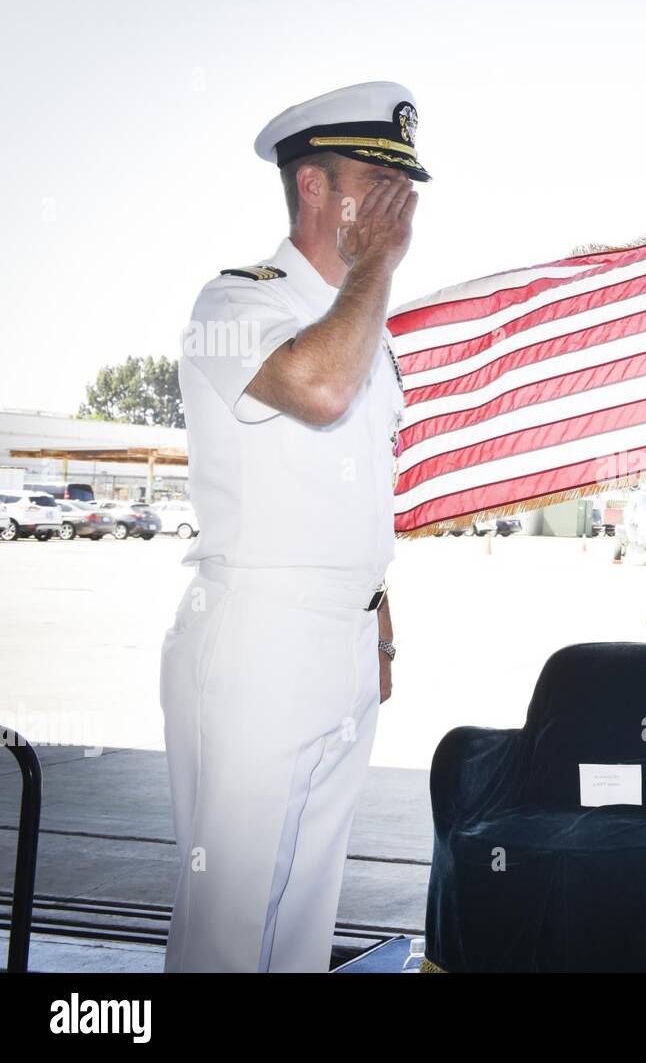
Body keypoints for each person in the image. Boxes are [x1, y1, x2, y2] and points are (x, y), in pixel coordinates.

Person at [160, 81, 426, 972]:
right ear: (312, 186)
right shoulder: (236, 304)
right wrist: (377, 266)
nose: (400, 205)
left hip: (343, 642)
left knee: (305, 914)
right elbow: (320, 392)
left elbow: (356, 483)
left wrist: (376, 617)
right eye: (376, 182)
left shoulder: (364, 322)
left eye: (404, 186)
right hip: (258, 640)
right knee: (230, 922)